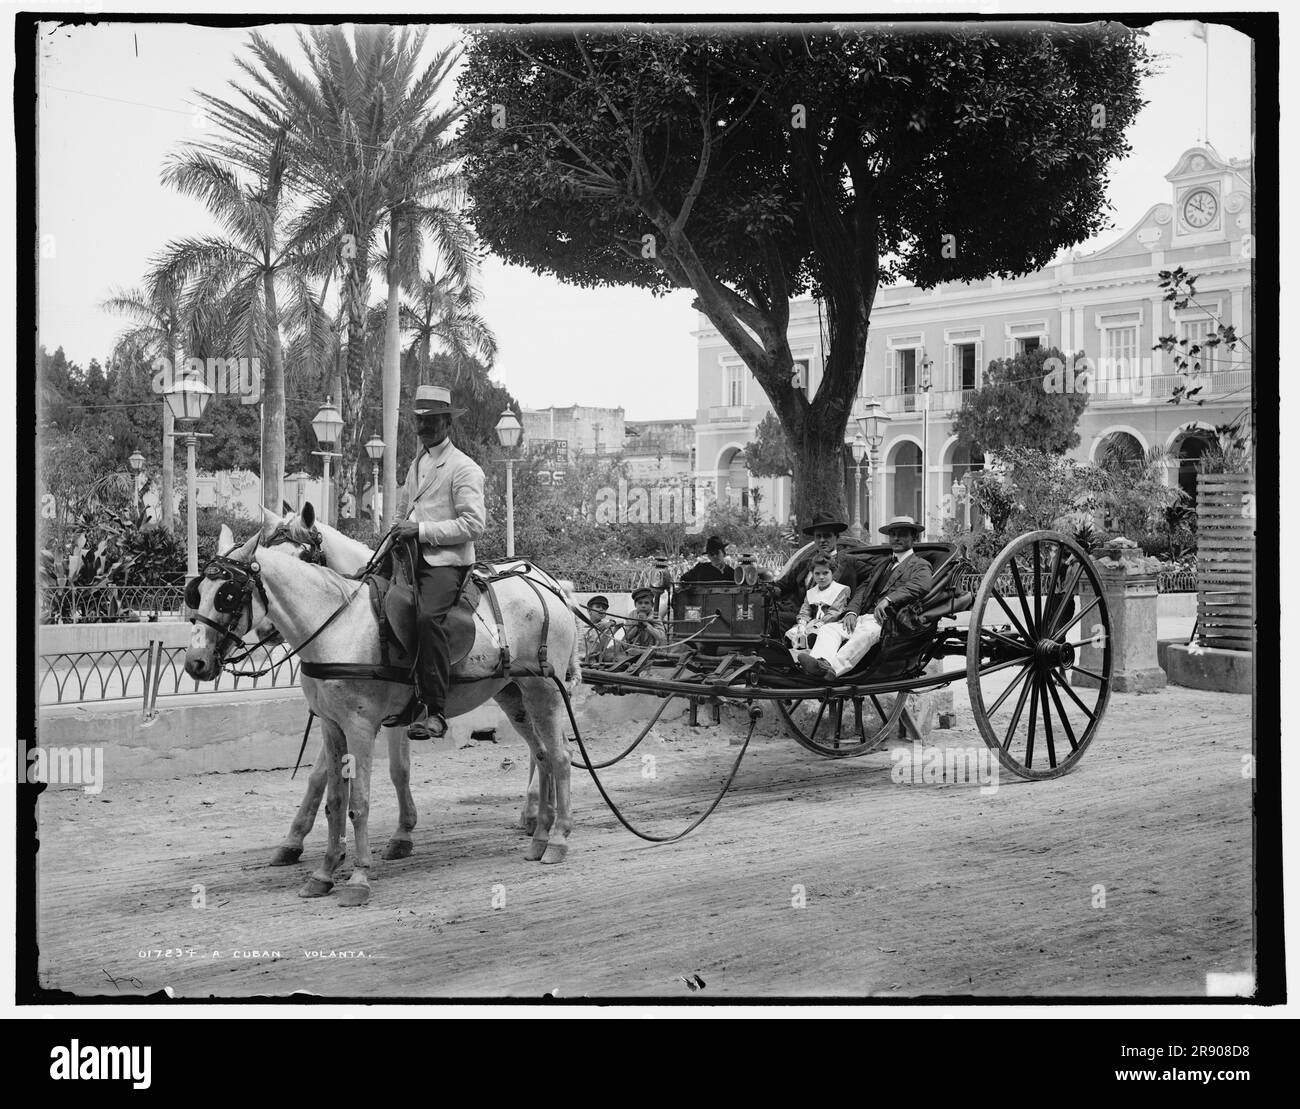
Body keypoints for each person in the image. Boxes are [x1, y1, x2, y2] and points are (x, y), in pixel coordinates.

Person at [393, 385, 487, 740]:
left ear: (447, 423)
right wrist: (395, 533)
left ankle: (435, 709)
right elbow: (405, 508)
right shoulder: (418, 462)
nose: (423, 428)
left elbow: (473, 526)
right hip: (411, 553)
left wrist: (419, 530)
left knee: (426, 618)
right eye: (419, 421)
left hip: (446, 561)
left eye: (431, 421)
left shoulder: (464, 469)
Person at [797, 516, 932, 679]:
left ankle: (832, 669)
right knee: (829, 629)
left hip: (888, 621)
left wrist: (889, 600)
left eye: (902, 534)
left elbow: (921, 585)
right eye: (893, 534)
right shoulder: (884, 564)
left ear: (914, 538)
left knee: (866, 633)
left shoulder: (920, 565)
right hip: (864, 617)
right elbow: (864, 588)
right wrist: (851, 612)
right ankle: (819, 663)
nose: (896, 538)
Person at [775, 513, 871, 634]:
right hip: (800, 615)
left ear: (836, 537)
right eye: (818, 536)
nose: (822, 540)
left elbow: (872, 577)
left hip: (832, 618)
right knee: (767, 616)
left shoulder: (850, 563)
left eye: (827, 536)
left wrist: (852, 609)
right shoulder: (805, 564)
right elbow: (782, 584)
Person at [785, 556, 850, 661]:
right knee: (797, 633)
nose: (821, 577)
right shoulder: (811, 592)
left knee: (816, 634)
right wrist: (802, 624)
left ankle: (815, 658)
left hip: (830, 623)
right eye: (817, 574)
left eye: (825, 573)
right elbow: (805, 611)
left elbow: (835, 612)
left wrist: (816, 625)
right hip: (812, 623)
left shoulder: (840, 589)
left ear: (832, 573)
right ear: (813, 574)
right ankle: (799, 658)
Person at [581, 595, 616, 662]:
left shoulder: (606, 624)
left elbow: (622, 621)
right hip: (580, 658)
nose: (601, 609)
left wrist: (611, 623)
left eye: (604, 608)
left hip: (595, 659)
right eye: (598, 607)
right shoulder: (582, 625)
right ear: (589, 611)